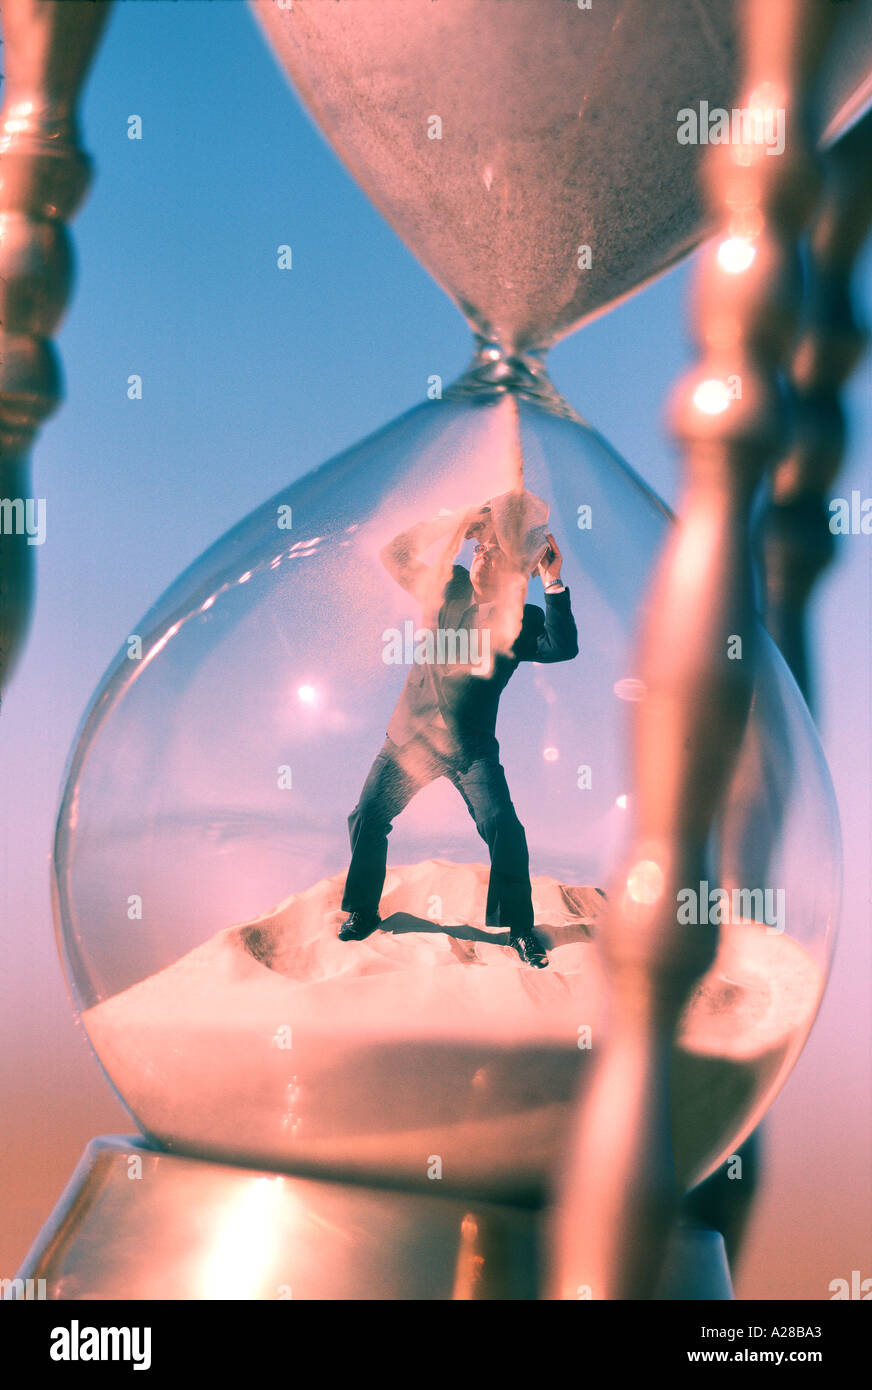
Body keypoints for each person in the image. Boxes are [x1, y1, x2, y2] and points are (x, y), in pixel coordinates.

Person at [338, 495, 579, 967]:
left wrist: (552, 579)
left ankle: (520, 929)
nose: (481, 553)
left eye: (493, 551)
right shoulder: (447, 586)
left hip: (470, 749)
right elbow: (395, 554)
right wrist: (456, 520)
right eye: (479, 548)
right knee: (367, 816)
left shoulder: (521, 617)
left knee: (504, 828)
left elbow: (562, 646)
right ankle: (363, 910)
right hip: (410, 738)